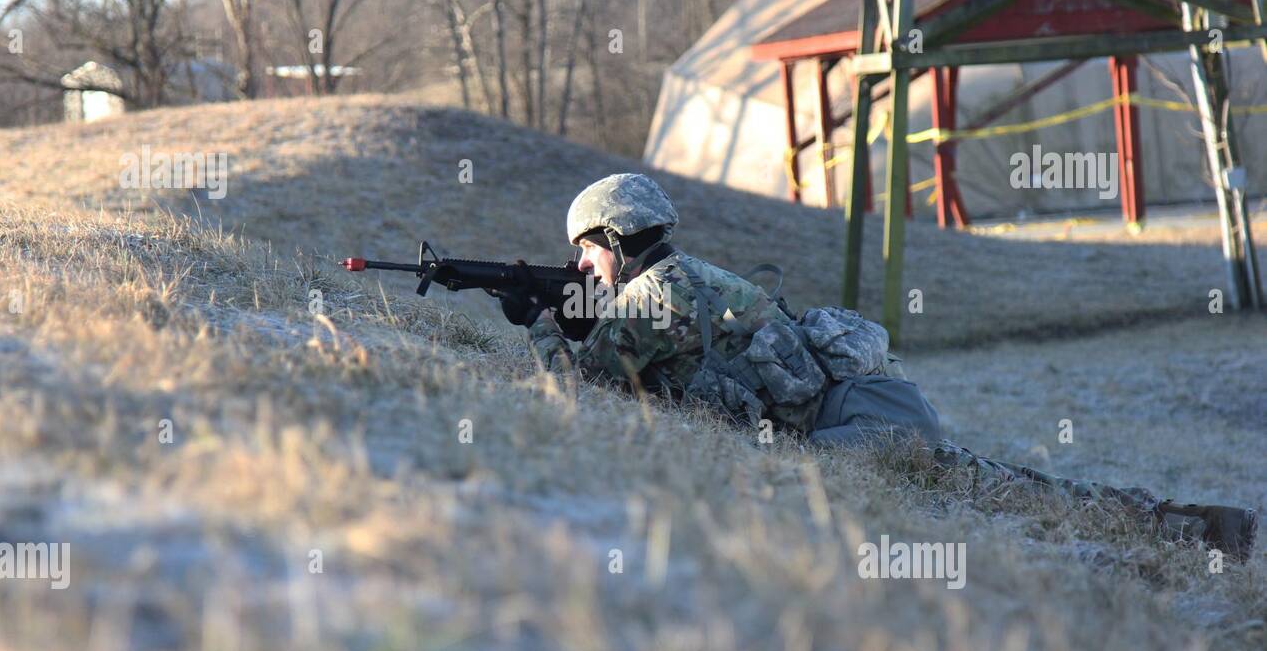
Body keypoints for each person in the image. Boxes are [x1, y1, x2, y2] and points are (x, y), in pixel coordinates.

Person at [511, 173, 1258, 560]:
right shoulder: (689, 275)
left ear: (616, 236)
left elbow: (580, 396)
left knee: (1009, 498)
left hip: (849, 440)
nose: (580, 263)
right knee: (1018, 490)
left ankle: (1184, 530)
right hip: (871, 411)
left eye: (586, 248)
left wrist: (542, 328)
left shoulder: (644, 301)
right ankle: (1188, 526)